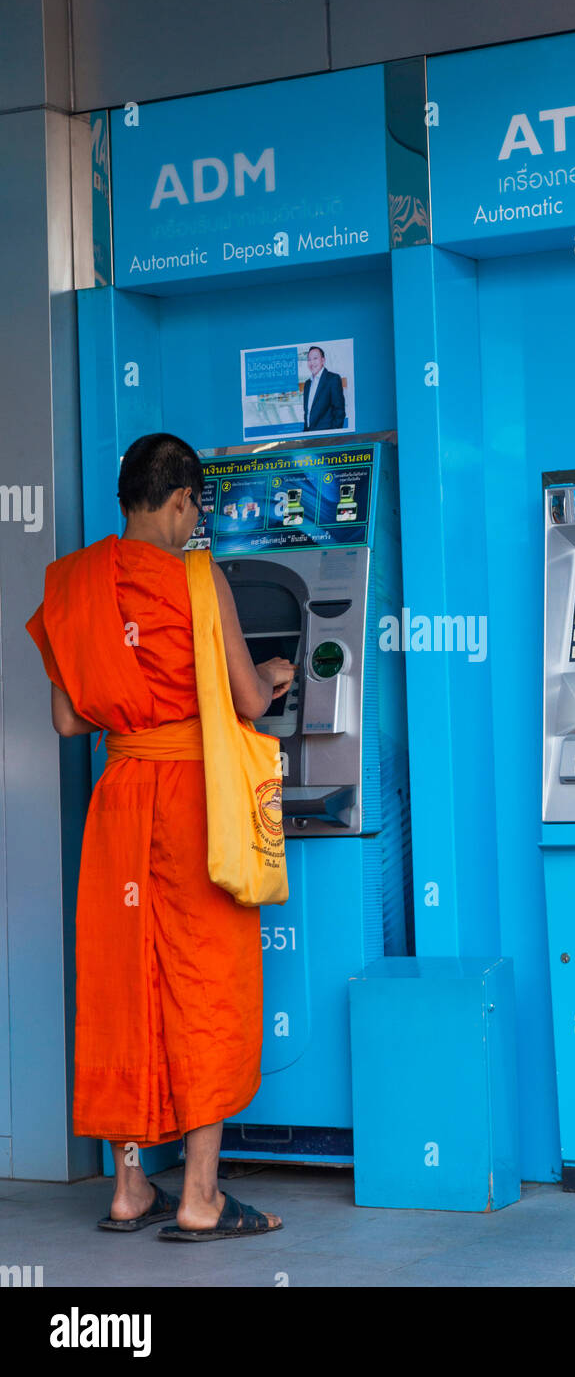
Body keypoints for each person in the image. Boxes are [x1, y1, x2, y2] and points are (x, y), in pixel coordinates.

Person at [25, 433, 296, 1242]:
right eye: (194, 510)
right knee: (207, 982)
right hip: (194, 800)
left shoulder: (74, 584)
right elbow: (245, 699)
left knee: (123, 986)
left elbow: (71, 721)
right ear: (180, 500)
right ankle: (202, 1195)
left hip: (118, 805)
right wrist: (279, 676)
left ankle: (130, 1187)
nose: (193, 524)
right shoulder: (198, 577)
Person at [302, 345, 346, 430]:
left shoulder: (333, 379)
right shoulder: (307, 384)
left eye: (315, 358)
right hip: (310, 437)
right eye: (309, 359)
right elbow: (307, 414)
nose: (312, 363)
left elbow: (339, 410)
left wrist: (333, 435)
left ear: (323, 360)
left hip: (327, 437)